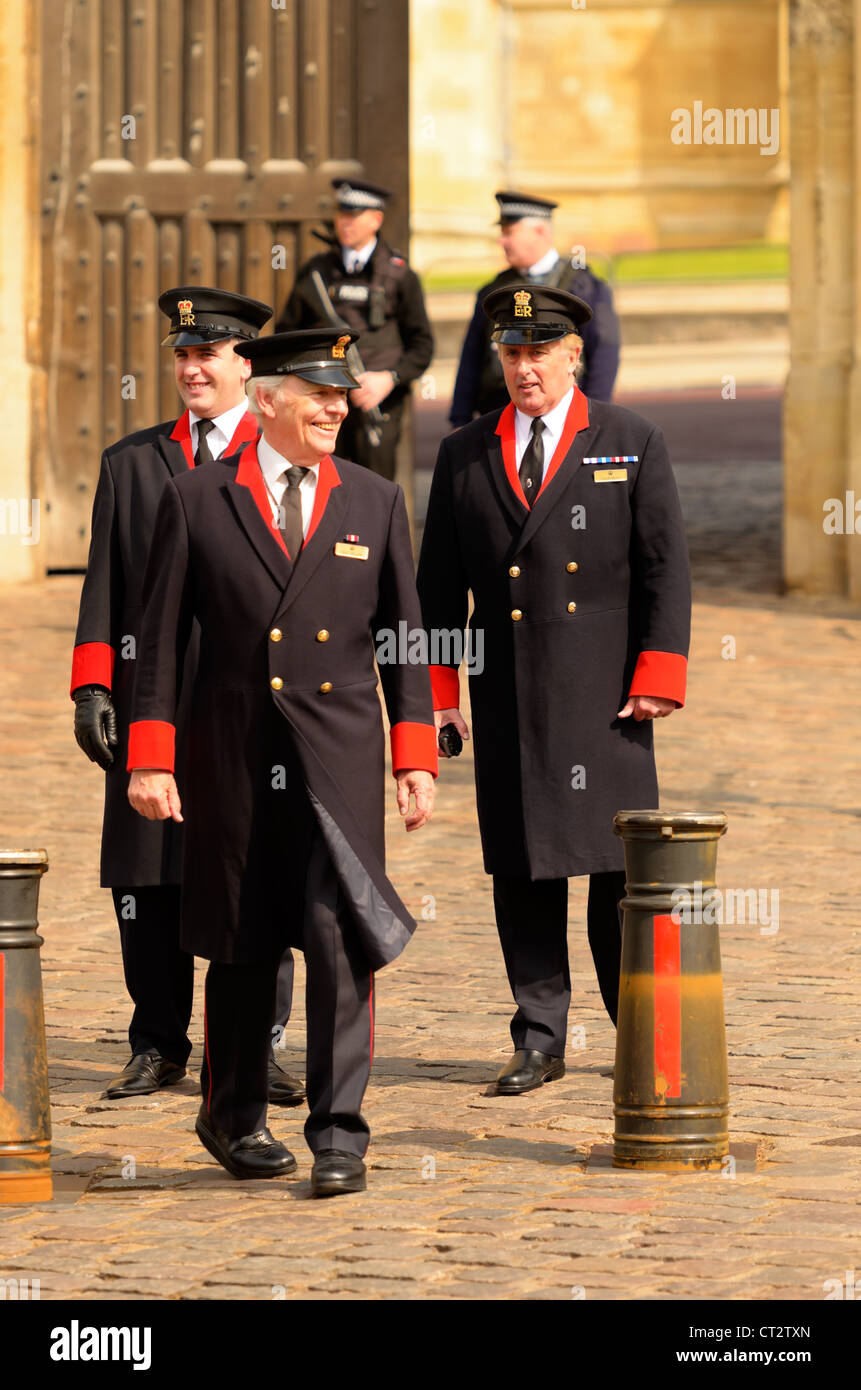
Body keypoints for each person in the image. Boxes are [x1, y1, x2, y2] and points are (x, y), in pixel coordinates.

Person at [127, 328, 437, 1195]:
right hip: (230, 754)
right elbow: (155, 643)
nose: (338, 407)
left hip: (336, 757)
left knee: (342, 943)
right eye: (318, 395)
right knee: (241, 939)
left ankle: (340, 1134)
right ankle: (232, 1118)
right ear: (266, 402)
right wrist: (152, 759)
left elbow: (403, 639)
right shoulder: (195, 497)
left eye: (342, 395)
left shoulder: (373, 501)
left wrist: (414, 754)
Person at [418, 284, 690, 1095]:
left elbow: (663, 570)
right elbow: (438, 590)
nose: (524, 367)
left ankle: (638, 1026)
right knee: (524, 869)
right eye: (510, 353)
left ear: (573, 354)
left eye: (539, 351)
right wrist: (438, 692)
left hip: (605, 694)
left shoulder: (629, 438)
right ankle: (538, 1035)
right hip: (507, 693)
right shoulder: (464, 451)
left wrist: (659, 675)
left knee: (618, 870)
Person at [71, 287, 305, 1107]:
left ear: (246, 363)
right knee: (147, 875)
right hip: (153, 700)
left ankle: (254, 1047)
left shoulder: (285, 457)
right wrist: (93, 683)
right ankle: (158, 1040)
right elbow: (106, 584)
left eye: (206, 355)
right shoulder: (132, 463)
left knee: (255, 872)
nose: (191, 369)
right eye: (181, 355)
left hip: (251, 706)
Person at [276, 178, 434, 481]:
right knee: (318, 483)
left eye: (353, 214)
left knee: (373, 489)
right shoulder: (317, 272)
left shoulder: (400, 275)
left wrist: (389, 378)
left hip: (377, 404)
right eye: (341, 214)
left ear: (376, 219)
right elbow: (288, 334)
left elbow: (422, 345)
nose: (344, 222)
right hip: (320, 400)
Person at [450, 191, 620, 428]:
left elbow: (604, 355)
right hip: (499, 420)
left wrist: (595, 419)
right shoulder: (493, 290)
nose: (502, 241)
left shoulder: (585, 287)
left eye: (509, 232)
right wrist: (460, 418)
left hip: (564, 418)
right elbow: (472, 356)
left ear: (539, 231)